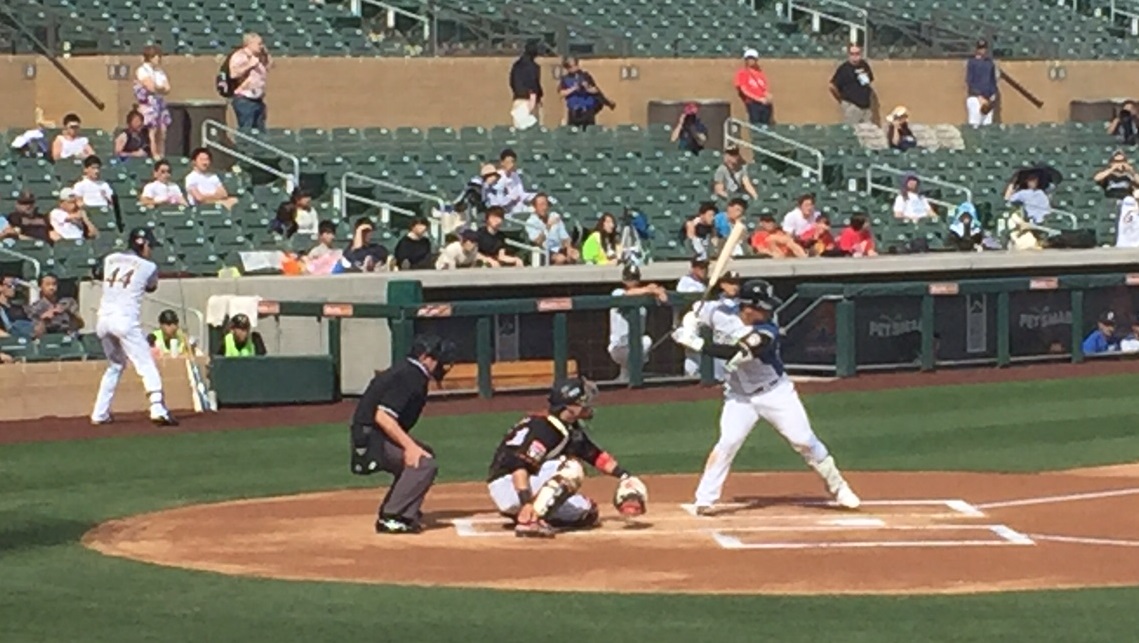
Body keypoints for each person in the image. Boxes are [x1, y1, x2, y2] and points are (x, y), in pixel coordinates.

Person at [670, 279, 861, 513]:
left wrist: (695, 342)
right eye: (764, 307)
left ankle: (839, 487)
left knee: (804, 440)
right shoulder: (719, 311)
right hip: (739, 397)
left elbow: (735, 352)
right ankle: (704, 500)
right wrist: (689, 321)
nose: (769, 311)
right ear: (748, 307)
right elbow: (694, 311)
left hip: (775, 393)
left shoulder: (767, 330)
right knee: (728, 442)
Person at [485, 378, 648, 538]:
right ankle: (530, 519)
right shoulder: (545, 428)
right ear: (570, 405)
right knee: (571, 467)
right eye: (582, 400)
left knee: (586, 512)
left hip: (525, 483)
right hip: (510, 485)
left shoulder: (567, 429)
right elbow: (519, 466)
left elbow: (594, 456)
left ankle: (524, 513)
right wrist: (526, 502)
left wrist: (625, 476)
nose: (587, 404)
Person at [349, 334, 457, 533]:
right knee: (424, 463)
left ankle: (407, 511)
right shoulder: (410, 376)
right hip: (372, 439)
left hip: (374, 436)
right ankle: (391, 516)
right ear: (424, 357)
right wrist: (409, 447)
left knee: (425, 453)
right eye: (437, 358)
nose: (441, 364)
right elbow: (382, 416)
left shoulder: (410, 371)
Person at [90, 228, 178, 426]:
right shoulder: (149, 266)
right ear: (144, 244)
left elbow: (96, 271)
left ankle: (99, 413)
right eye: (150, 246)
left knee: (115, 365)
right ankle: (157, 408)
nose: (150, 250)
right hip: (125, 321)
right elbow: (151, 287)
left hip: (103, 320)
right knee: (145, 364)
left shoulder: (110, 258)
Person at [608, 263, 668, 382]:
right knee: (644, 342)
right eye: (629, 279)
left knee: (645, 340)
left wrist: (657, 290)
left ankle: (625, 378)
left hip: (635, 344)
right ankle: (630, 375)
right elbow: (628, 294)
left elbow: (663, 297)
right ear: (624, 280)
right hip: (618, 347)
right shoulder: (617, 292)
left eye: (634, 279)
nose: (632, 282)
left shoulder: (643, 296)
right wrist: (651, 289)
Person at [133, 45, 171, 158]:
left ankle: (161, 154)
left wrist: (158, 88)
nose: (159, 59)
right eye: (156, 57)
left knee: (162, 130)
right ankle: (154, 154)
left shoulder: (160, 72)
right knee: (152, 130)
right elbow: (150, 87)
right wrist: (160, 88)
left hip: (159, 103)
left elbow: (167, 88)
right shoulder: (142, 70)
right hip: (148, 104)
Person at [228, 33, 271, 131]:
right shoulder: (240, 56)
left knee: (259, 132)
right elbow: (233, 74)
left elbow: (270, 65)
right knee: (247, 130)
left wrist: (266, 54)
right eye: (259, 44)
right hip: (245, 99)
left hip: (258, 100)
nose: (261, 46)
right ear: (249, 44)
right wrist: (249, 65)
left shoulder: (258, 57)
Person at [558, 57, 615, 129]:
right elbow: (561, 93)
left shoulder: (585, 75)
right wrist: (574, 88)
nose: (575, 68)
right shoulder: (565, 79)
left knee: (589, 130)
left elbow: (595, 90)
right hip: (574, 111)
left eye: (576, 65)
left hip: (587, 110)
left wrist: (587, 88)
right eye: (571, 67)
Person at [524, 193, 577, 264]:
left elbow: (564, 237)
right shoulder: (531, 222)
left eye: (545, 204)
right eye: (541, 205)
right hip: (542, 251)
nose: (544, 208)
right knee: (561, 259)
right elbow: (537, 242)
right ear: (535, 207)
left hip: (559, 249)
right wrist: (548, 226)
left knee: (574, 255)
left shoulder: (554, 216)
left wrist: (569, 248)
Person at [829, 43, 874, 125]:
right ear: (849, 55)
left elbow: (869, 81)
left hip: (866, 108)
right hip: (852, 107)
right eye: (852, 54)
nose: (855, 56)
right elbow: (832, 86)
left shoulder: (864, 66)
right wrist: (841, 100)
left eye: (857, 53)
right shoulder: (844, 69)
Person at [509, 40, 543, 130]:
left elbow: (512, 82)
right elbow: (533, 84)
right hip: (529, 100)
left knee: (518, 130)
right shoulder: (533, 67)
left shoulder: (516, 65)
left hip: (517, 99)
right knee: (531, 131)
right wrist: (533, 99)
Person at [965, 39, 998, 128]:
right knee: (975, 124)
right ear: (977, 49)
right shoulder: (972, 62)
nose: (982, 50)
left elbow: (993, 81)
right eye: (980, 48)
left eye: (984, 48)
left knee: (988, 125)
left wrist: (992, 96)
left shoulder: (989, 63)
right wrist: (979, 97)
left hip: (988, 99)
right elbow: (969, 82)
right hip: (975, 98)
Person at [735, 48, 772, 125]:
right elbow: (744, 90)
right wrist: (758, 99)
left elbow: (764, 89)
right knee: (755, 125)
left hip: (764, 104)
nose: (751, 61)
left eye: (753, 58)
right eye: (749, 58)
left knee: (766, 125)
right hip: (753, 104)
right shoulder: (742, 73)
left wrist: (767, 96)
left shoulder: (760, 73)